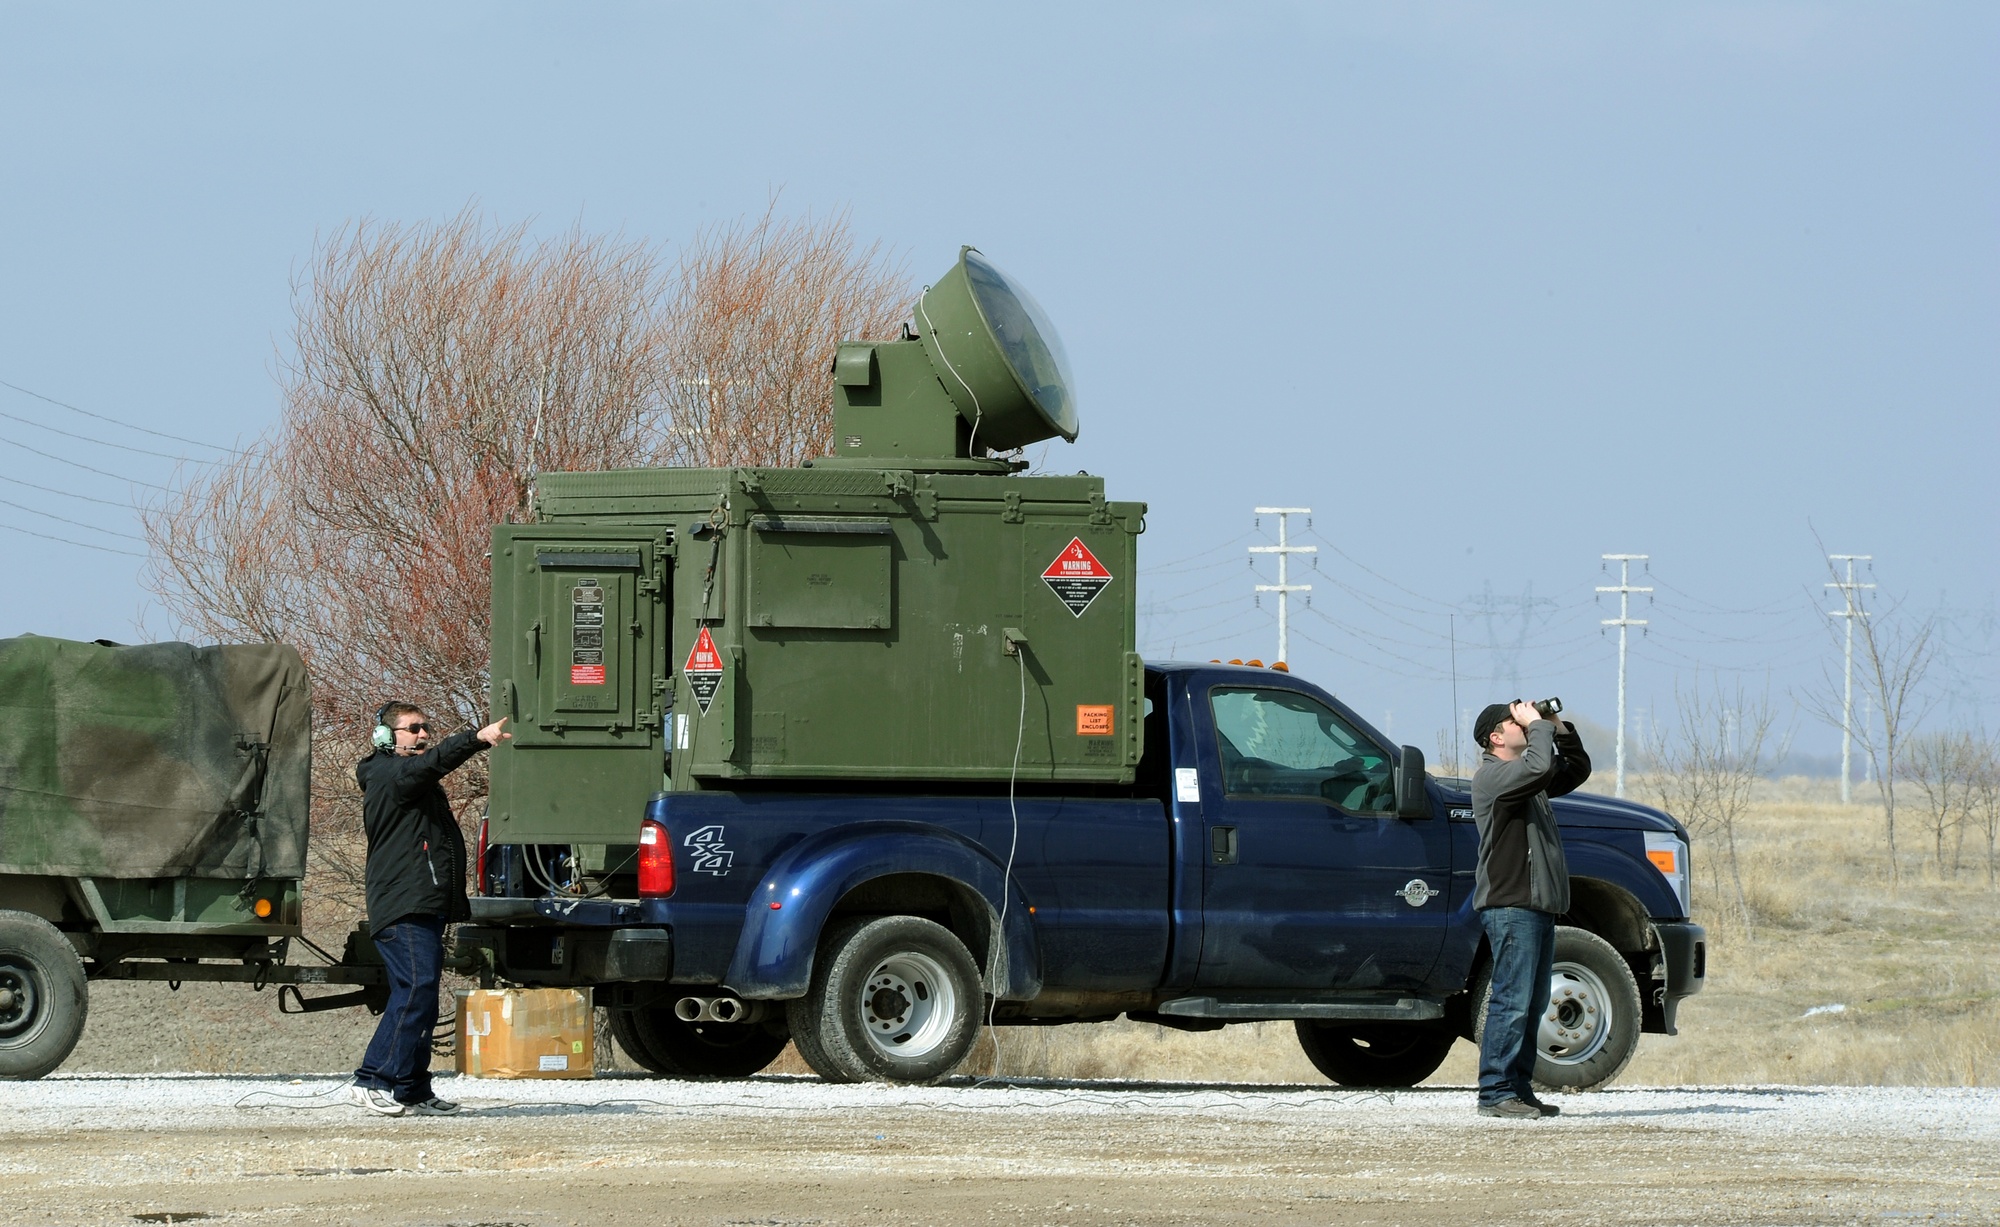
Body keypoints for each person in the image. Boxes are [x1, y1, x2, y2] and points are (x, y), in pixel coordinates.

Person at [349, 702, 511, 1117]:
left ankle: (412, 1089)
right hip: (403, 905)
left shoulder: (408, 778)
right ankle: (372, 1079)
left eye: (425, 728)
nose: (422, 735)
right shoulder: (390, 774)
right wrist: (476, 739)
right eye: (412, 728)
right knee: (415, 990)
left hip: (423, 904)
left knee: (422, 996)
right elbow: (431, 764)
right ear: (386, 737)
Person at [1470, 699, 1591, 1120]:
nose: (1522, 722)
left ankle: (1518, 1090)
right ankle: (1494, 1092)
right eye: (1513, 720)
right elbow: (1539, 767)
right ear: (1496, 737)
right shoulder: (1494, 777)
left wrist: (1557, 726)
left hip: (1534, 904)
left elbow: (1575, 770)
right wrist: (1537, 725)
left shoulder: (1526, 779)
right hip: (1511, 903)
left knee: (1534, 1002)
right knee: (1512, 1000)